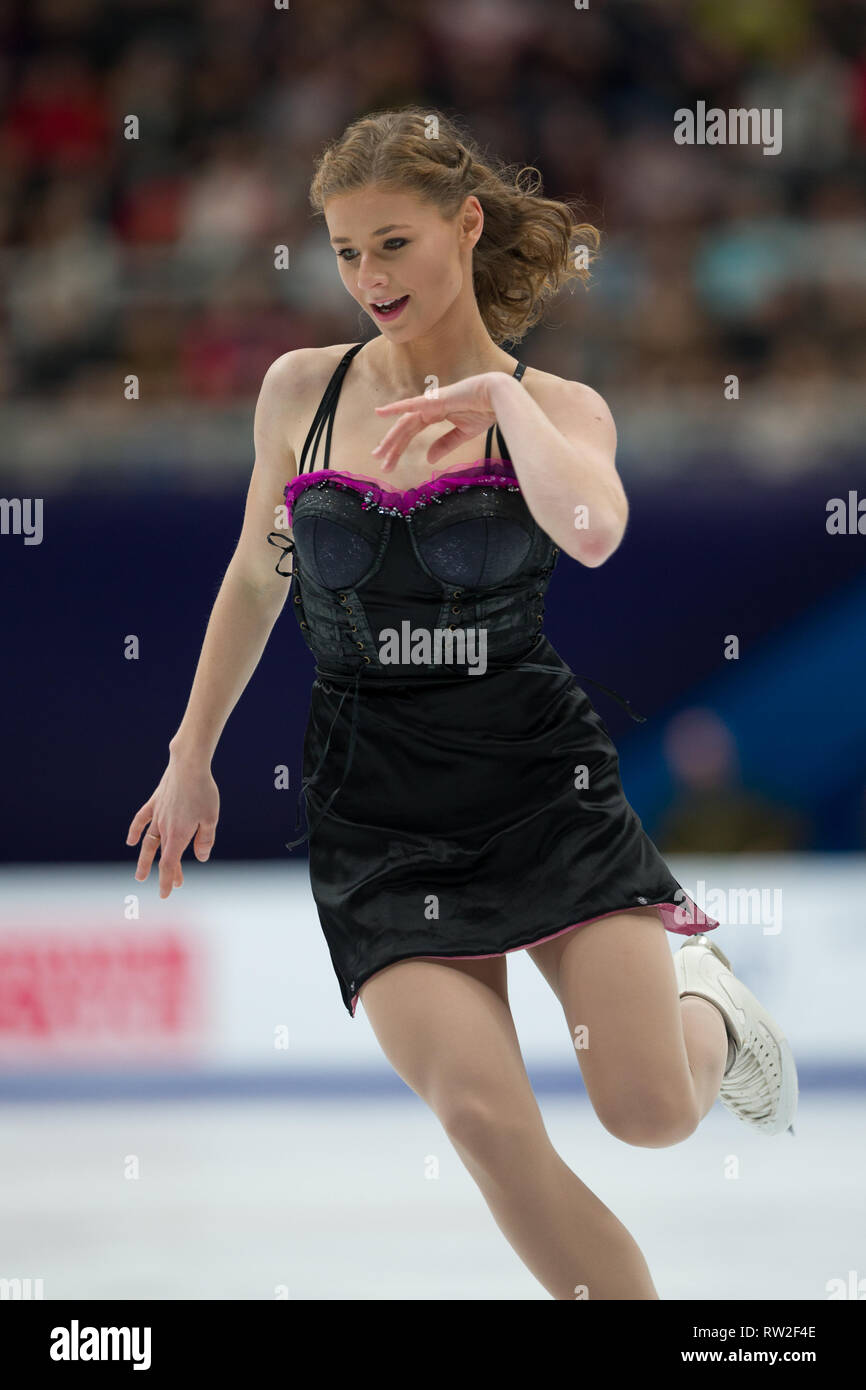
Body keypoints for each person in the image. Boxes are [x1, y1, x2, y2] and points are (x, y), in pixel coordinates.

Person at [127, 107, 797, 1300]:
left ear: (465, 222)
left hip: (542, 787)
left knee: (647, 1114)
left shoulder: (562, 406)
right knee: (486, 1121)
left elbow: (590, 532)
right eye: (343, 252)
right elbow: (253, 573)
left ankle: (706, 998)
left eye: (391, 243)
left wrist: (502, 411)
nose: (367, 278)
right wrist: (192, 752)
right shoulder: (300, 390)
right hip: (373, 805)